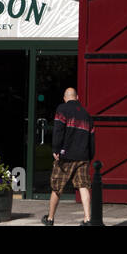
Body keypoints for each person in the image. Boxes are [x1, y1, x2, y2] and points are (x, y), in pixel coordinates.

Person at [44, 88, 95, 226]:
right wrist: (90, 156)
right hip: (83, 156)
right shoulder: (87, 115)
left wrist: (55, 149)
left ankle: (50, 218)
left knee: (57, 187)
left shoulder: (62, 109)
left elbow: (58, 130)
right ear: (77, 97)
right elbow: (91, 139)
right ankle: (88, 218)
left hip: (65, 156)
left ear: (64, 98)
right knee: (84, 186)